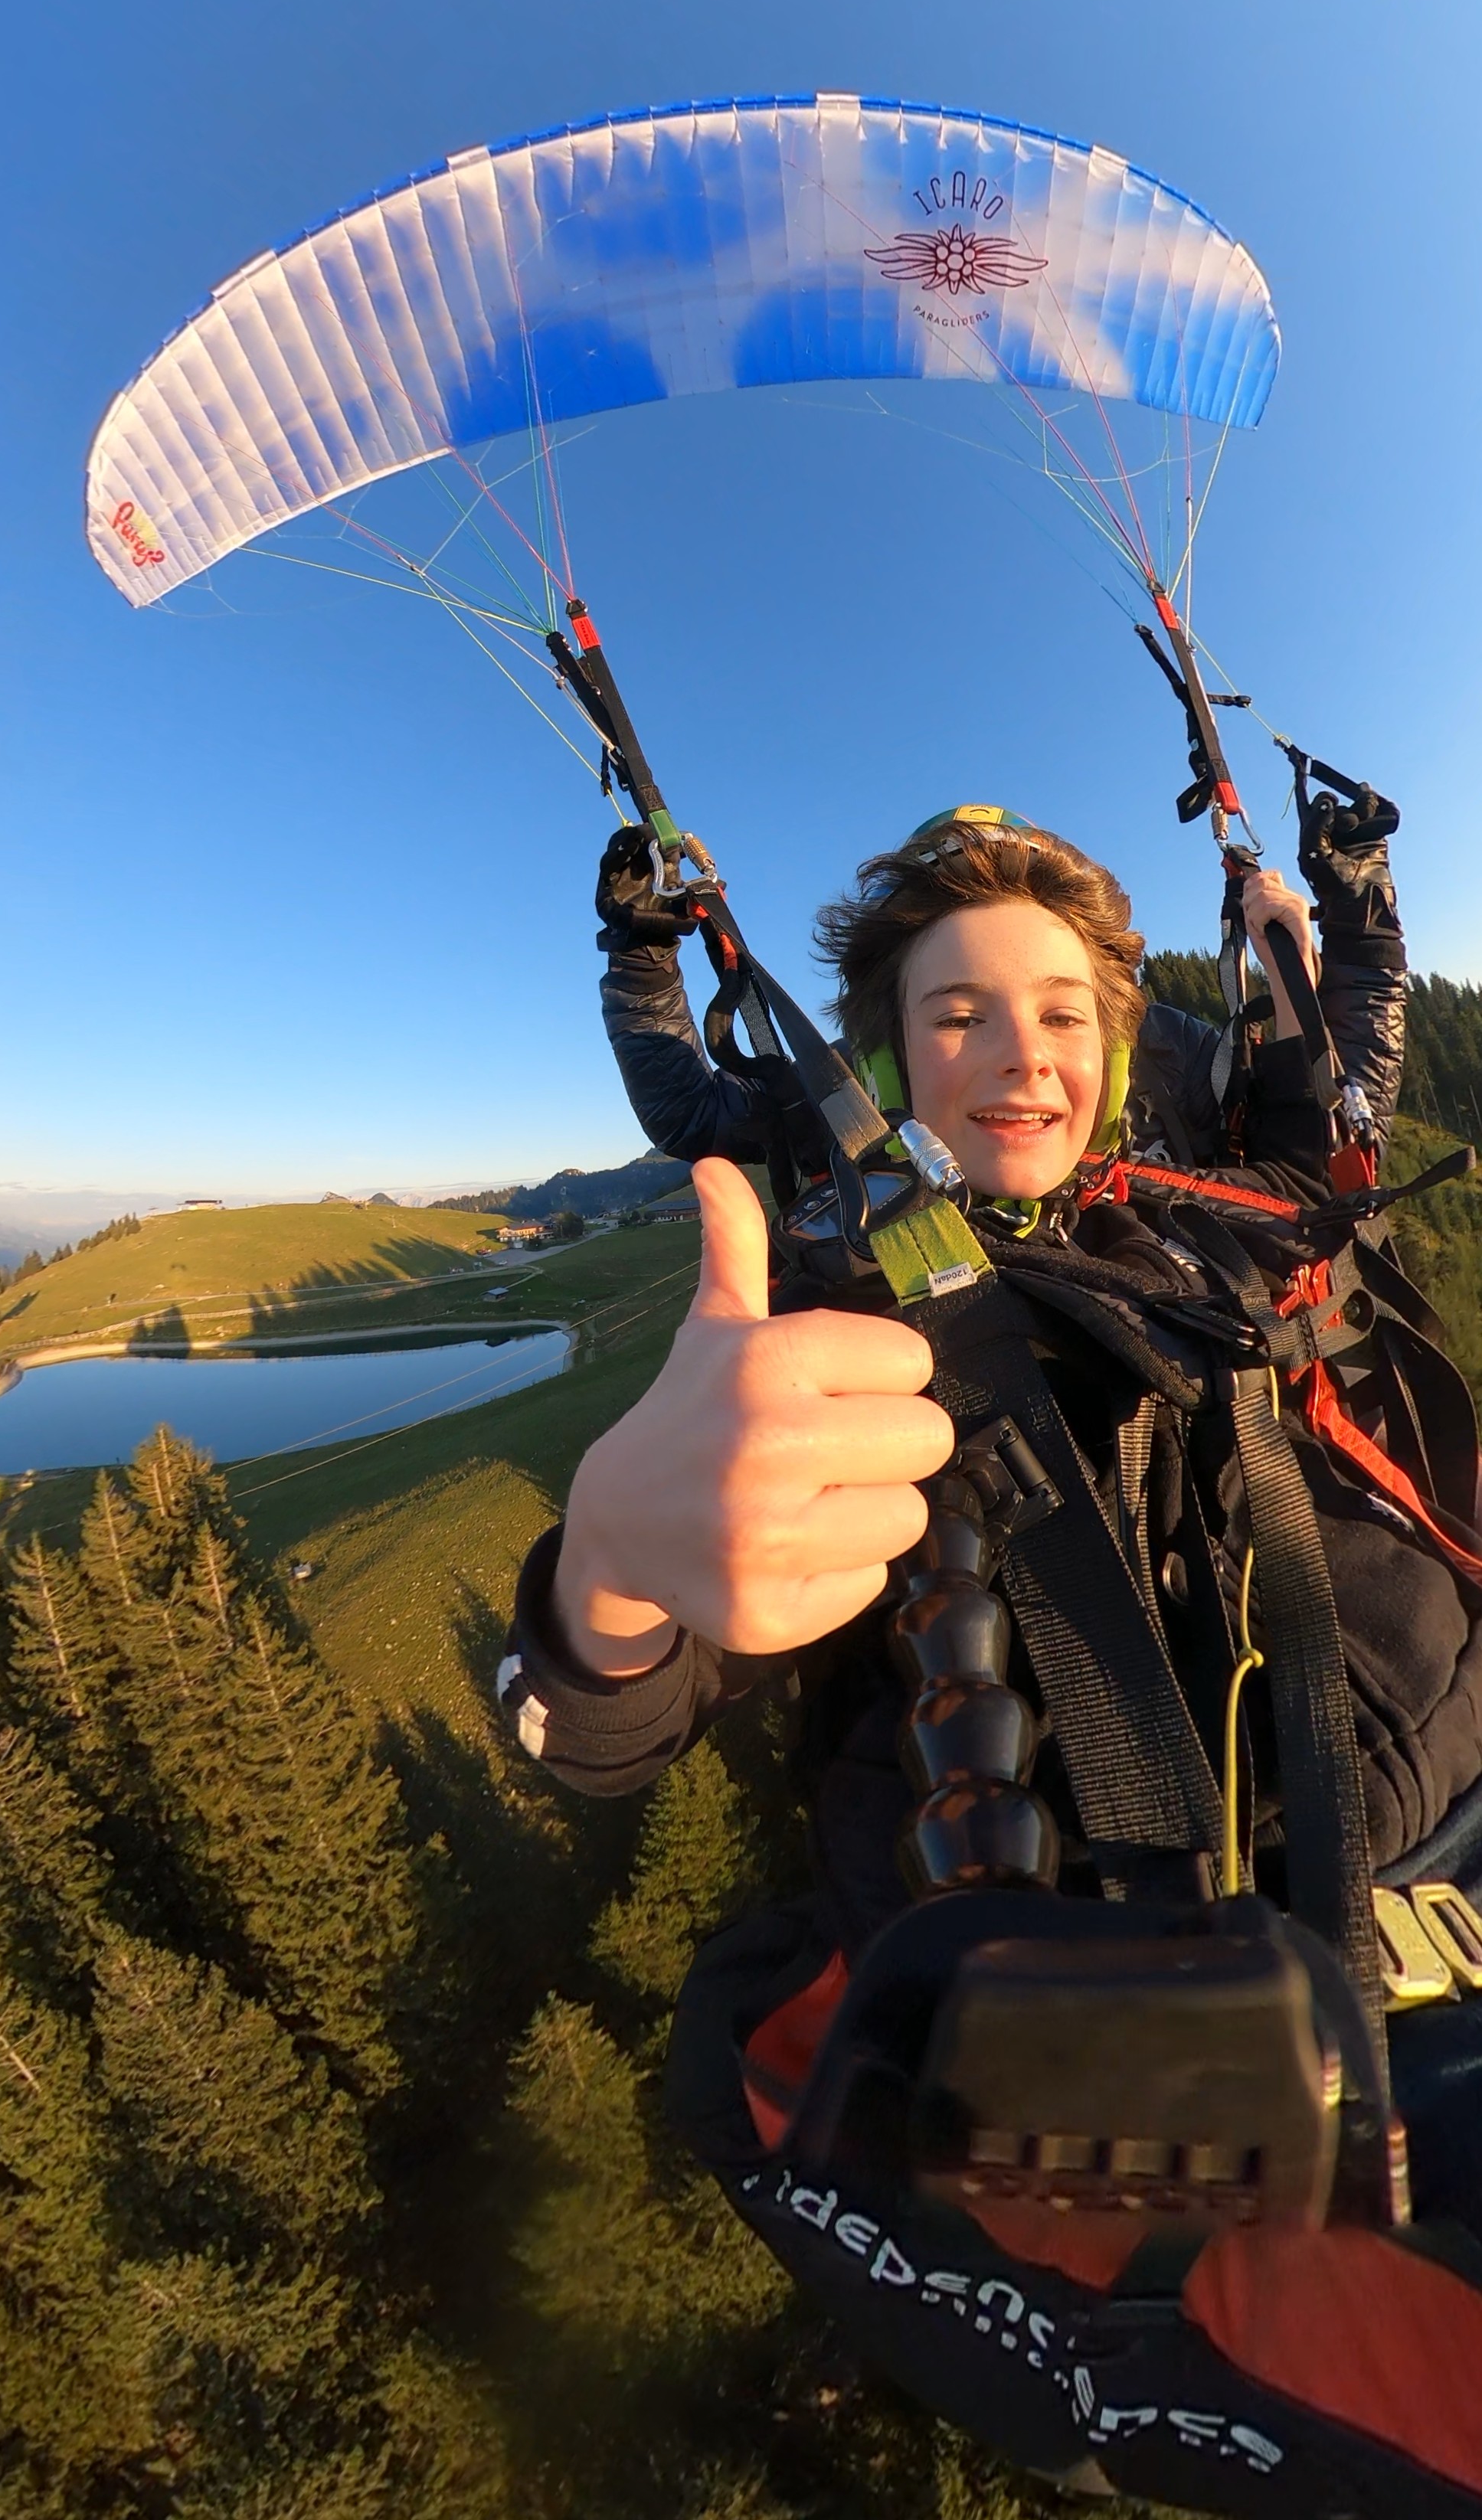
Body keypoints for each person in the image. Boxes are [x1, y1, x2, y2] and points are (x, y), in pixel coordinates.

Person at [497, 798, 1482, 2515]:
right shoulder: (838, 1336)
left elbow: (1349, 1055)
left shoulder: (1227, 1215)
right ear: (885, 1059)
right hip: (1113, 2015)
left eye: (1061, 1013)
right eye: (957, 1016)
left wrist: (1345, 903)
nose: (1016, 1056)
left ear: (1121, 1050)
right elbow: (604, 1729)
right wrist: (609, 1589)